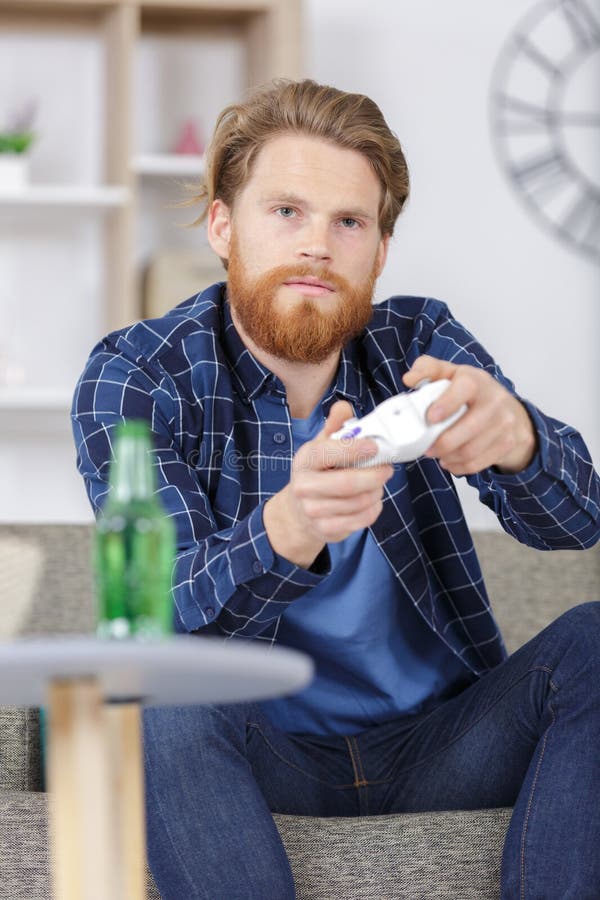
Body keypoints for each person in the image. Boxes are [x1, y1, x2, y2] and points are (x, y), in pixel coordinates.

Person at [72, 79, 600, 899]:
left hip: (441, 744)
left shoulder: (420, 340)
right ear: (223, 225)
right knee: (149, 682)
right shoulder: (137, 374)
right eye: (287, 211)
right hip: (259, 753)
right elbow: (158, 606)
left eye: (349, 222)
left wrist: (520, 443)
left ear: (380, 250)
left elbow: (579, 521)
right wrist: (285, 530)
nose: (318, 245)